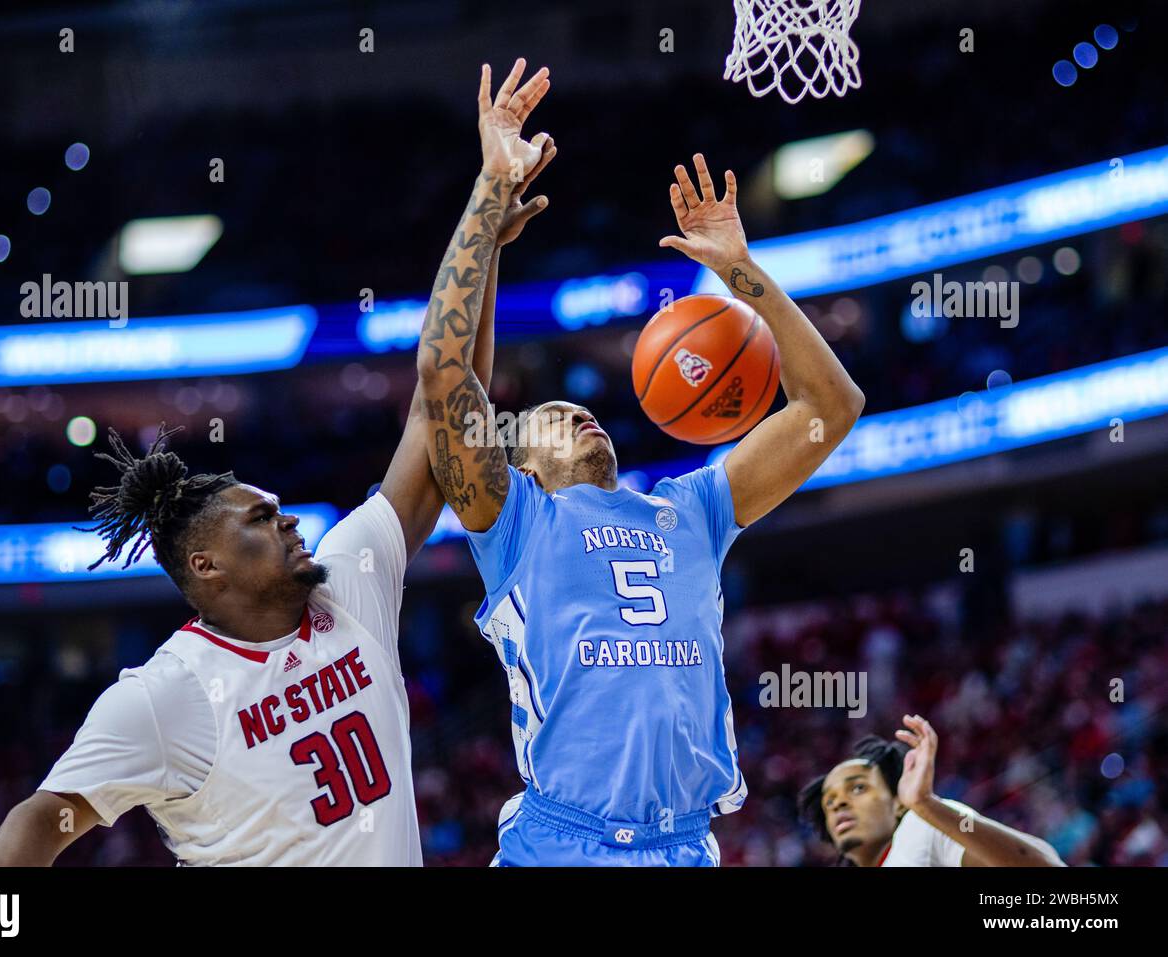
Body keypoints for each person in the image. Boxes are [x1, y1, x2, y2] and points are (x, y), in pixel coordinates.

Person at [0, 114, 556, 865]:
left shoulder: (350, 576)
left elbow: (446, 406)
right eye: (262, 518)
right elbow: (40, 820)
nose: (289, 524)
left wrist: (482, 228)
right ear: (207, 566)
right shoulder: (165, 695)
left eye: (281, 511)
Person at [414, 57, 865, 865]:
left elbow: (831, 410)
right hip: (561, 844)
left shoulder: (690, 508)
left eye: (582, 410)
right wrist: (486, 199)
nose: (580, 415)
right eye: (552, 418)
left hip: (685, 845)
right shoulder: (517, 520)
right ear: (517, 464)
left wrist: (741, 276)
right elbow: (447, 380)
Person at [798, 715, 1065, 866]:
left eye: (857, 788)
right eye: (829, 801)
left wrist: (927, 805)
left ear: (898, 802)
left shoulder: (923, 828)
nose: (838, 804)